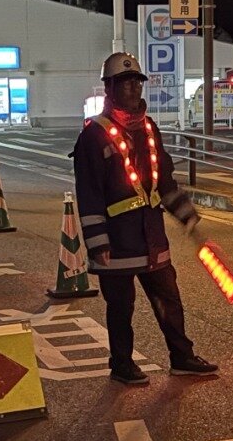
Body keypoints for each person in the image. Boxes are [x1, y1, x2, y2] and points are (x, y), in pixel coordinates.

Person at [72, 52, 218, 385]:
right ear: (109, 87)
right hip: (116, 241)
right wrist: (97, 244)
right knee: (121, 307)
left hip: (151, 236)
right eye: (124, 82)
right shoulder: (94, 135)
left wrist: (185, 214)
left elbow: (164, 180)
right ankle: (122, 364)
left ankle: (182, 357)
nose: (133, 88)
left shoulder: (149, 128)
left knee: (169, 299)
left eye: (136, 82)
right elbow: (89, 194)